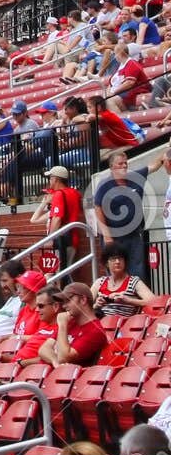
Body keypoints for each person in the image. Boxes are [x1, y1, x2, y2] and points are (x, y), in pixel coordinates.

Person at [92, 150, 150, 280]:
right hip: (114, 237)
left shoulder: (134, 177)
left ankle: (137, 298)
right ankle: (118, 298)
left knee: (137, 271)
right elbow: (98, 208)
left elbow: (154, 165)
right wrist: (107, 236)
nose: (124, 166)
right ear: (112, 167)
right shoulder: (104, 185)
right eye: (120, 164)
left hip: (134, 235)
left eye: (126, 163)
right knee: (116, 271)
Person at [39, 282, 109, 367]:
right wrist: (54, 361)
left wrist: (62, 325)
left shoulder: (96, 331)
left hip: (69, 378)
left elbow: (64, 358)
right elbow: (43, 349)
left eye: (68, 300)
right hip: (50, 375)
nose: (64, 306)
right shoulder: (71, 323)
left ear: (83, 300)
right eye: (63, 302)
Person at [92, 244, 156, 316]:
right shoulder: (99, 282)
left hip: (125, 325)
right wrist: (96, 305)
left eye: (120, 258)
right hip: (101, 324)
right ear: (107, 263)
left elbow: (154, 302)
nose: (117, 262)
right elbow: (83, 306)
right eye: (113, 259)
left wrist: (128, 300)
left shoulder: (134, 281)